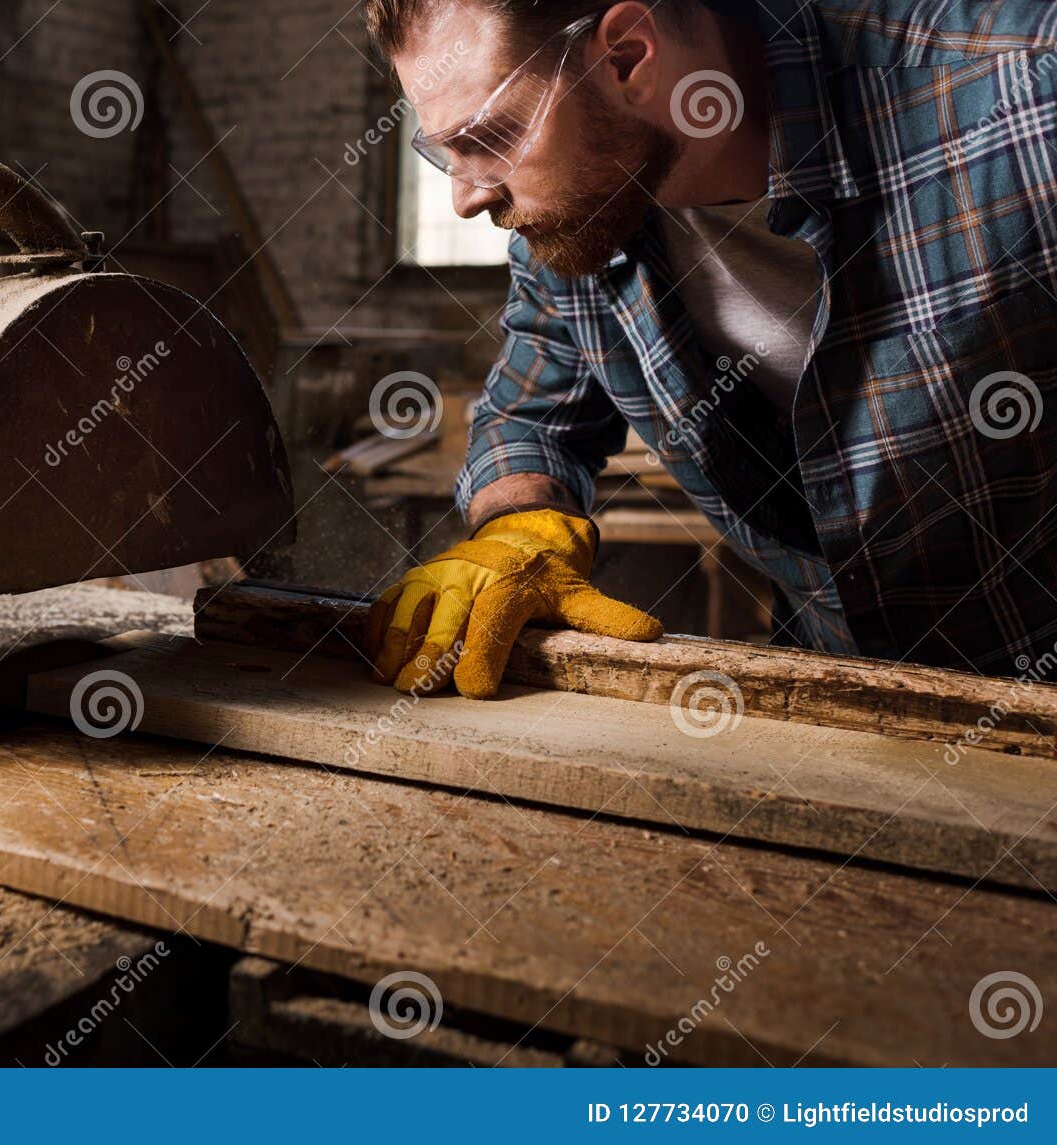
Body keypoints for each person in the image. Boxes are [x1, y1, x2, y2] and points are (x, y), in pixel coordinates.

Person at [361, 0, 1057, 697]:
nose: (465, 199)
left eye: (491, 135)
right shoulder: (588, 211)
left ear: (628, 56)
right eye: (444, 152)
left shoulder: (1026, 100)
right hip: (837, 710)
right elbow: (532, 419)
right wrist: (521, 531)